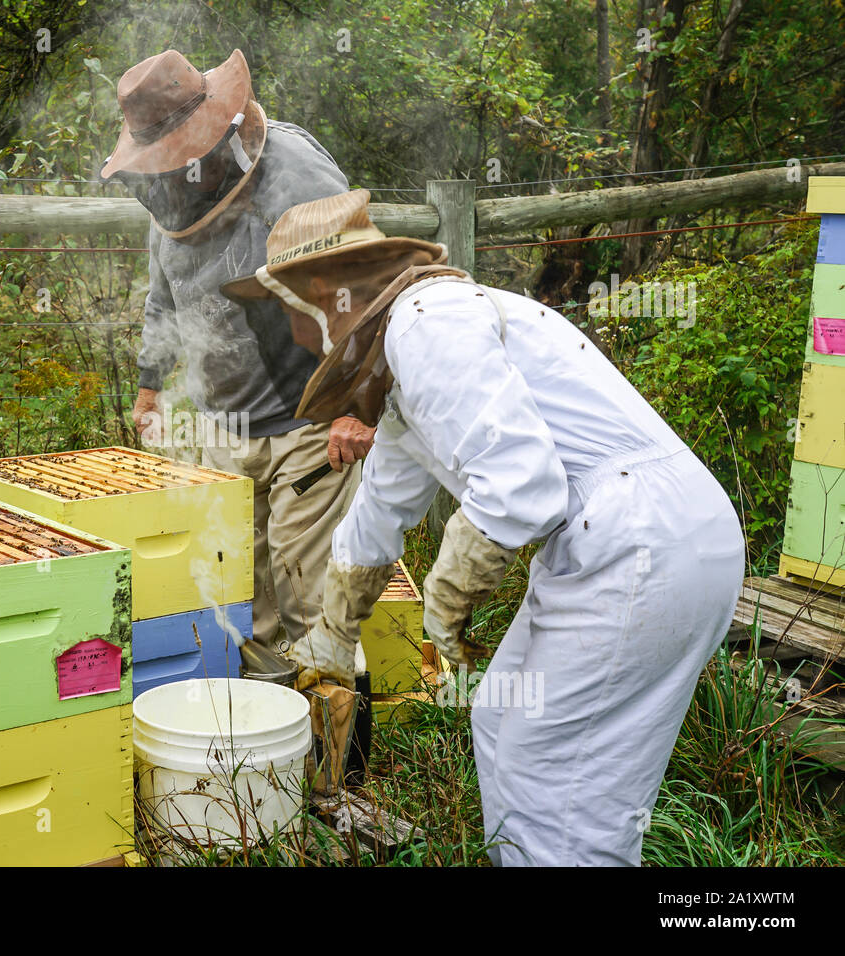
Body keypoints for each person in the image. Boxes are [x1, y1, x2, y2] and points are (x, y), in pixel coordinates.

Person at [222, 188, 744, 866]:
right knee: (504, 721)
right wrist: (333, 629)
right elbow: (382, 506)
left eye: (282, 311)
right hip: (643, 541)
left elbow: (521, 488)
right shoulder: (412, 353)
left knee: (557, 779)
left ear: (321, 294)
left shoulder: (425, 324)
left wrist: (444, 608)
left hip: (637, 548)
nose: (284, 335)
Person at [99, 48, 373, 649]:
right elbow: (163, 299)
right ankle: (265, 740)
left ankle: (336, 741)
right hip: (223, 428)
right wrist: (150, 386)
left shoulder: (295, 173)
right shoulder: (170, 195)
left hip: (310, 422)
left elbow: (361, 288)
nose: (171, 178)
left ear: (217, 133)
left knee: (310, 605)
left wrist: (358, 404)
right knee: (244, 604)